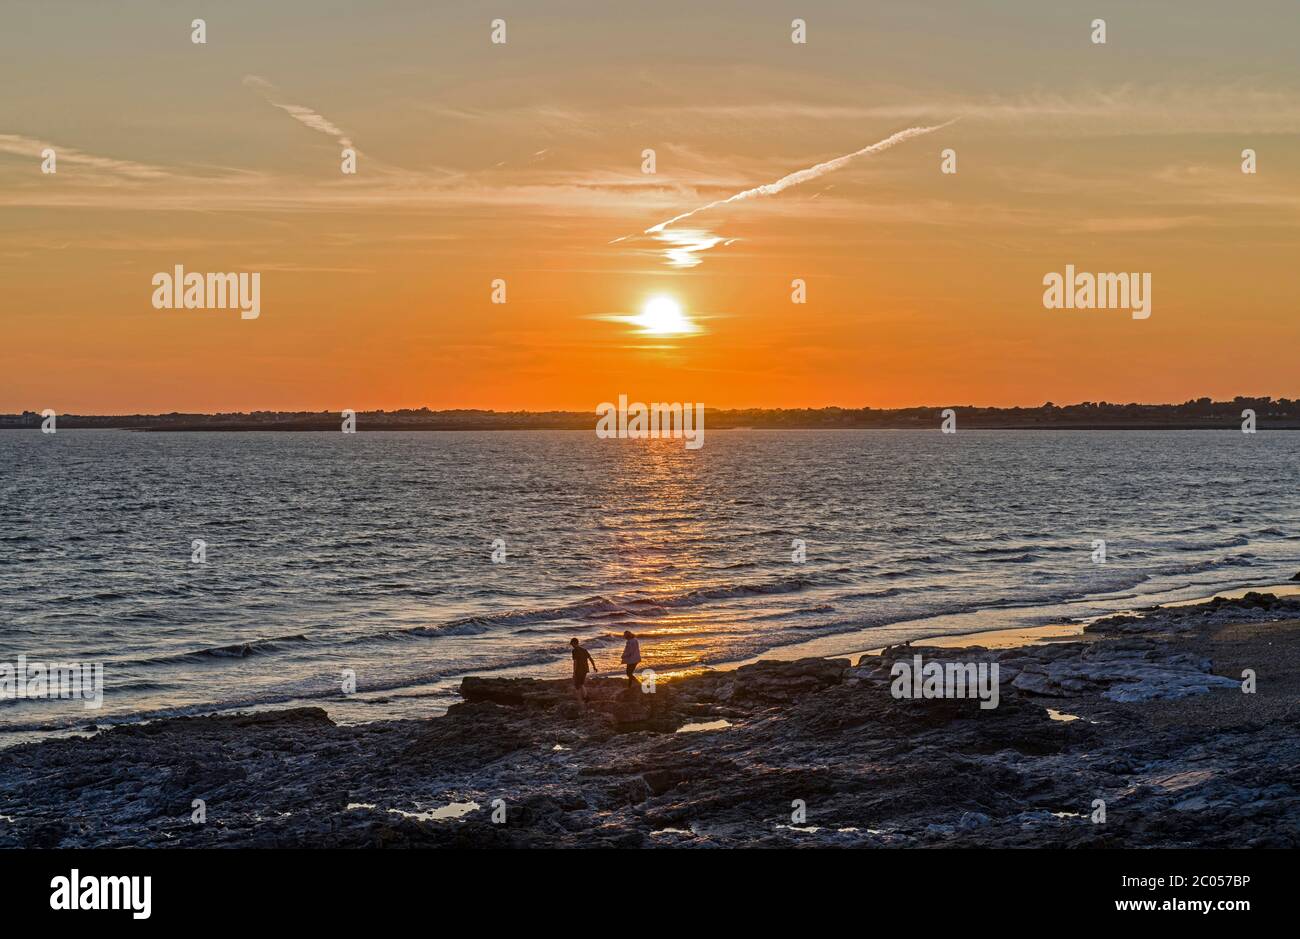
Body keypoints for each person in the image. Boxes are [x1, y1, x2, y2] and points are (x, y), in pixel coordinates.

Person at [569, 638, 598, 708]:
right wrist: (594, 667)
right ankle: (586, 697)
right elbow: (590, 658)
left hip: (579, 670)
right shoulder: (584, 650)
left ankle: (580, 700)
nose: (571, 645)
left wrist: (574, 672)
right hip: (585, 669)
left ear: (574, 643)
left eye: (572, 644)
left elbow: (575, 662)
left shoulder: (574, 651)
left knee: (577, 685)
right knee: (581, 684)